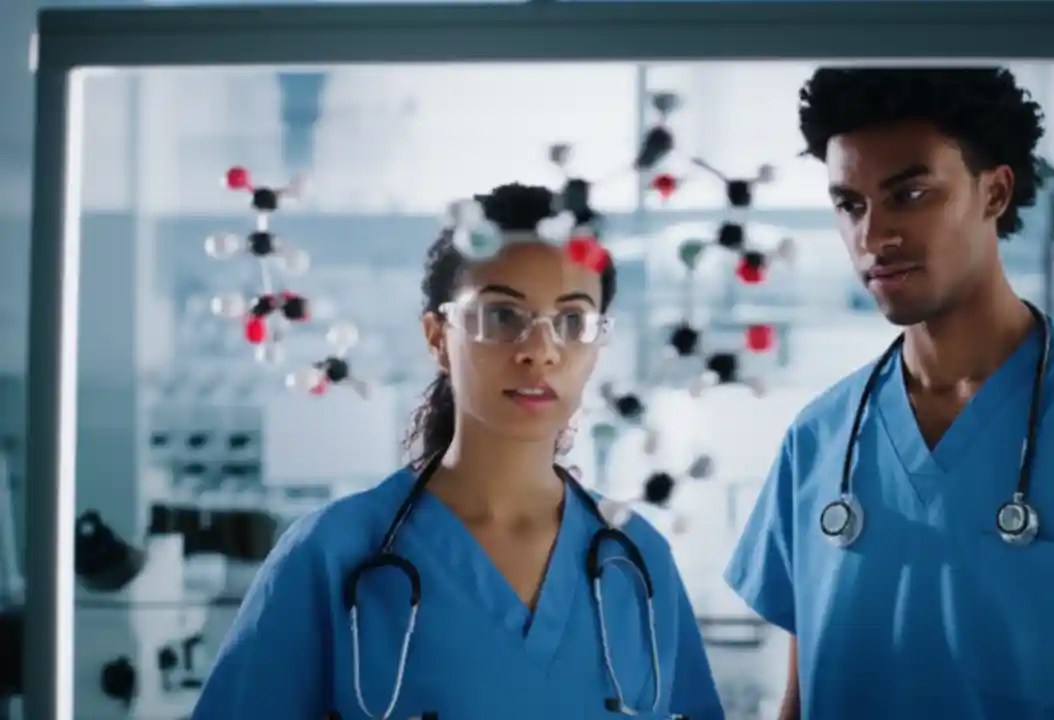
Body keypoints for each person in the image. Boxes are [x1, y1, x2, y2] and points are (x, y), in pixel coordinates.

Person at [725, 68, 1054, 719]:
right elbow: (799, 698)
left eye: (911, 194)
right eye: (850, 204)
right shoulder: (819, 440)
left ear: (996, 192)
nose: (873, 238)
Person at [193, 183, 724, 719]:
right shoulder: (333, 553)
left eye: (572, 322)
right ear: (436, 338)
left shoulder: (636, 558)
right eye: (500, 317)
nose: (539, 351)